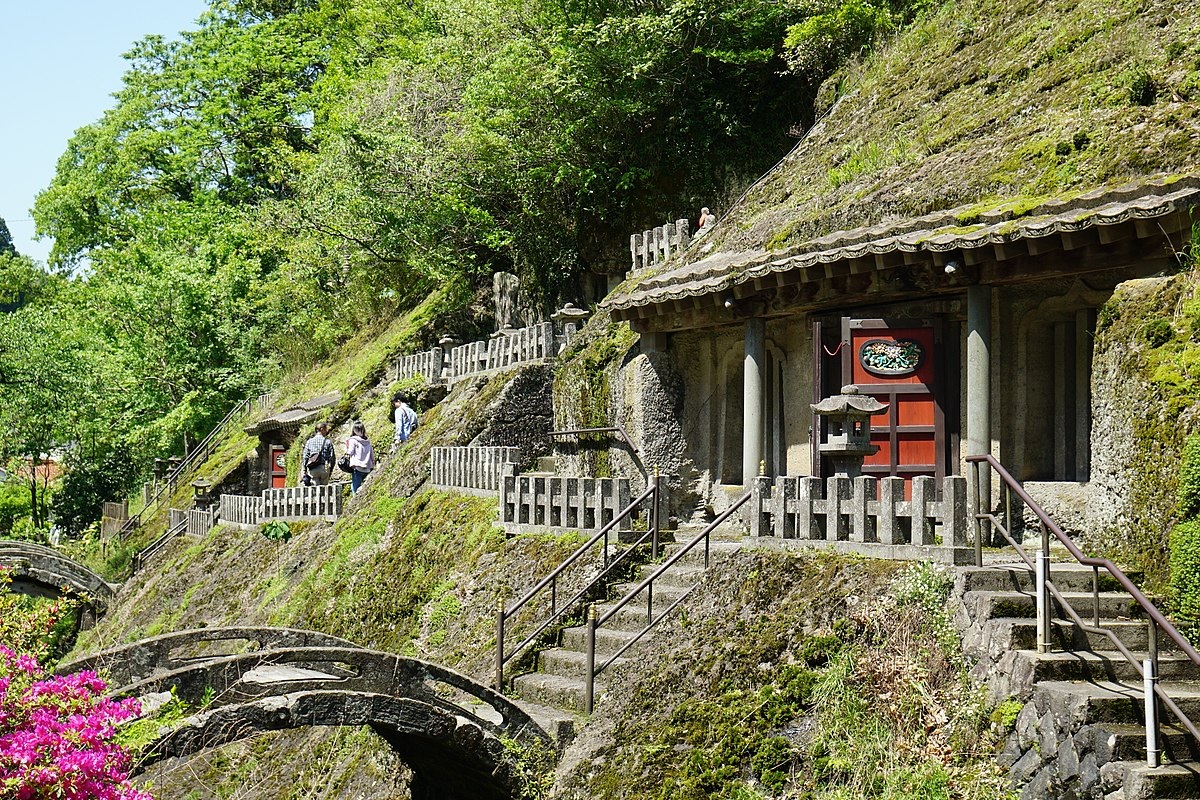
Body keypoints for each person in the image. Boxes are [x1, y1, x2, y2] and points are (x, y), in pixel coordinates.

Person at [345, 420, 375, 494]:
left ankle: (354, 503)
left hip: (357, 466)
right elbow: (372, 455)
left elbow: (350, 452)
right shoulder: (367, 441)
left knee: (355, 488)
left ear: (354, 430)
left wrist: (346, 447)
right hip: (367, 467)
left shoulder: (353, 440)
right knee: (364, 488)